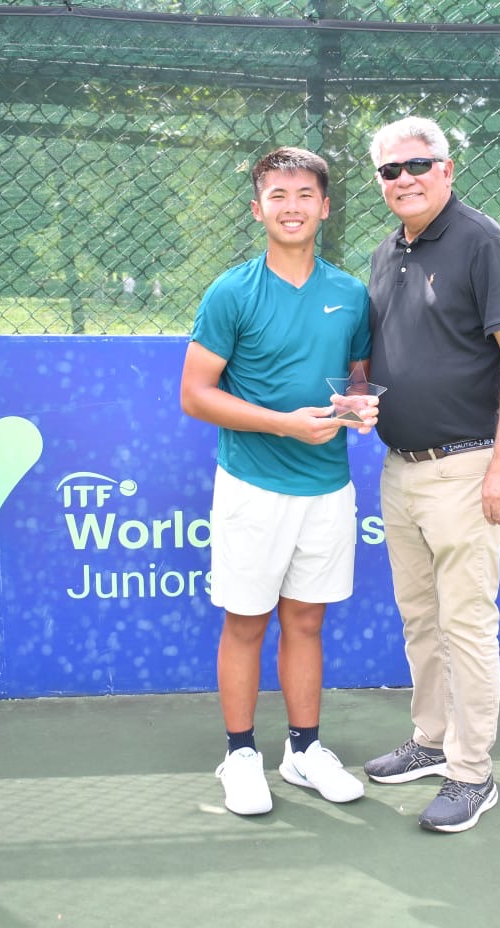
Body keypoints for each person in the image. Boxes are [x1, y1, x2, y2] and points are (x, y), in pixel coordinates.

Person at [180, 147, 377, 817]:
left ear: (324, 207)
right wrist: (283, 424)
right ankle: (239, 754)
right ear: (258, 208)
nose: (291, 206)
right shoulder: (232, 291)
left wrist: (359, 404)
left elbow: (354, 379)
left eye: (304, 195)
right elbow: (195, 395)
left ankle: (303, 749)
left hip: (328, 488)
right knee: (246, 623)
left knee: (307, 622)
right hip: (253, 486)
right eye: (278, 195)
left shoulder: (350, 294)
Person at [361, 116, 500, 833]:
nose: (403, 178)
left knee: (466, 622)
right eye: (389, 170)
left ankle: (473, 773)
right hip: (400, 471)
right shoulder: (384, 253)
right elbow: (386, 357)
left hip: (468, 468)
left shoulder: (482, 241)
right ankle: (432, 741)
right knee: (420, 618)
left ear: (447, 168)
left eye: (417, 164)